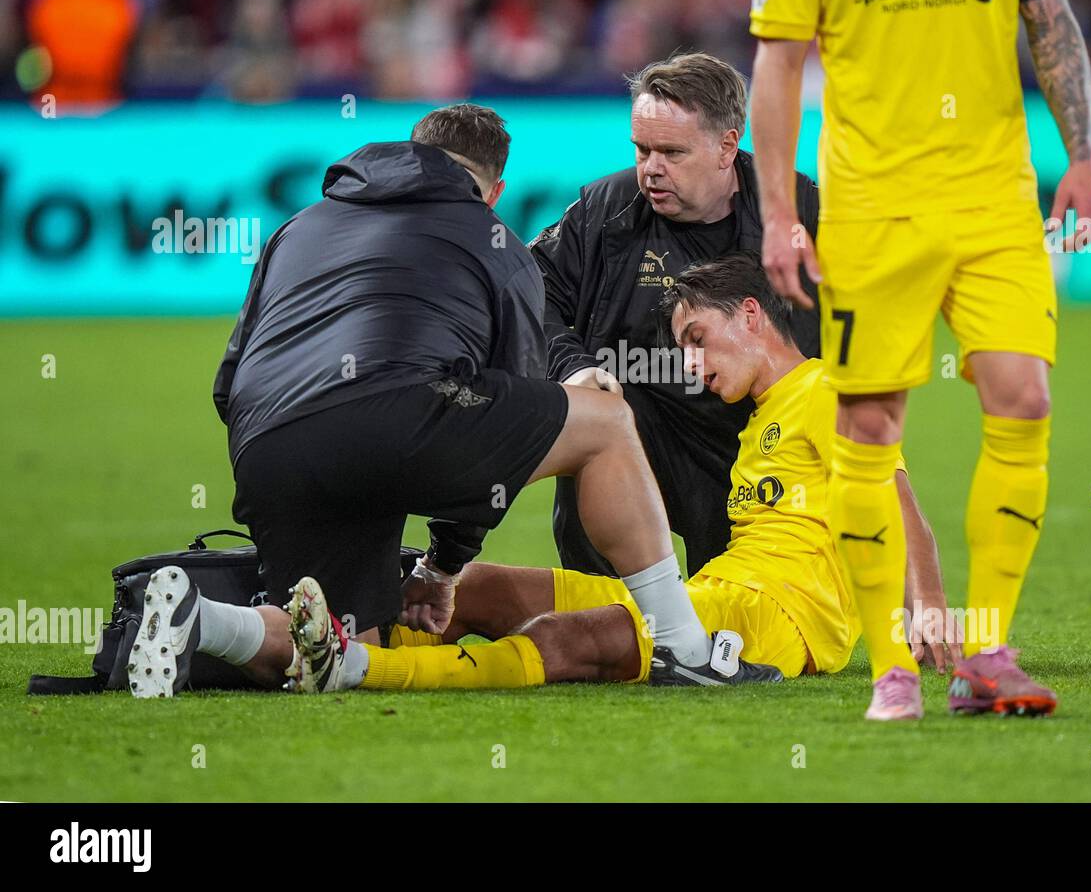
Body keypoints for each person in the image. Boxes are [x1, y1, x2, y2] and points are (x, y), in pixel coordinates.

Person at [128, 104, 775, 699]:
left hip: (268, 441)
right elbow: (510, 422)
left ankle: (203, 619)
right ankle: (685, 647)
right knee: (604, 419)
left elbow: (228, 379)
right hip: (402, 416)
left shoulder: (299, 227)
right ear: (494, 191)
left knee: (348, 645)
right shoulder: (496, 246)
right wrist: (443, 567)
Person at [278, 254, 956, 699]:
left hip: (778, 618)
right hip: (710, 594)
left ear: (751, 313)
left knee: (559, 639)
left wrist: (925, 607)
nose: (690, 363)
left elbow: (897, 504)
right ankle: (292, 642)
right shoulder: (759, 421)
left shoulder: (824, 390)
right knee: (479, 589)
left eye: (697, 338)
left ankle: (356, 668)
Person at [749, 0, 1091, 717]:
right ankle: (892, 669)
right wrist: (778, 215)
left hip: (995, 200)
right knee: (870, 428)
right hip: (874, 209)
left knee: (1025, 398)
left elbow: (1049, 17)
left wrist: (1083, 154)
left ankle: (988, 655)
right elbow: (777, 62)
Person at [532, 52, 820, 578]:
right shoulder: (604, 210)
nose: (651, 168)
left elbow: (861, 323)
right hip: (635, 428)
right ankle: (601, 621)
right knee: (596, 420)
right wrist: (571, 364)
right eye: (642, 149)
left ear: (727, 147)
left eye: (671, 151)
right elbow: (528, 292)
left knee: (739, 625)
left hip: (756, 443)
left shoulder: (801, 214)